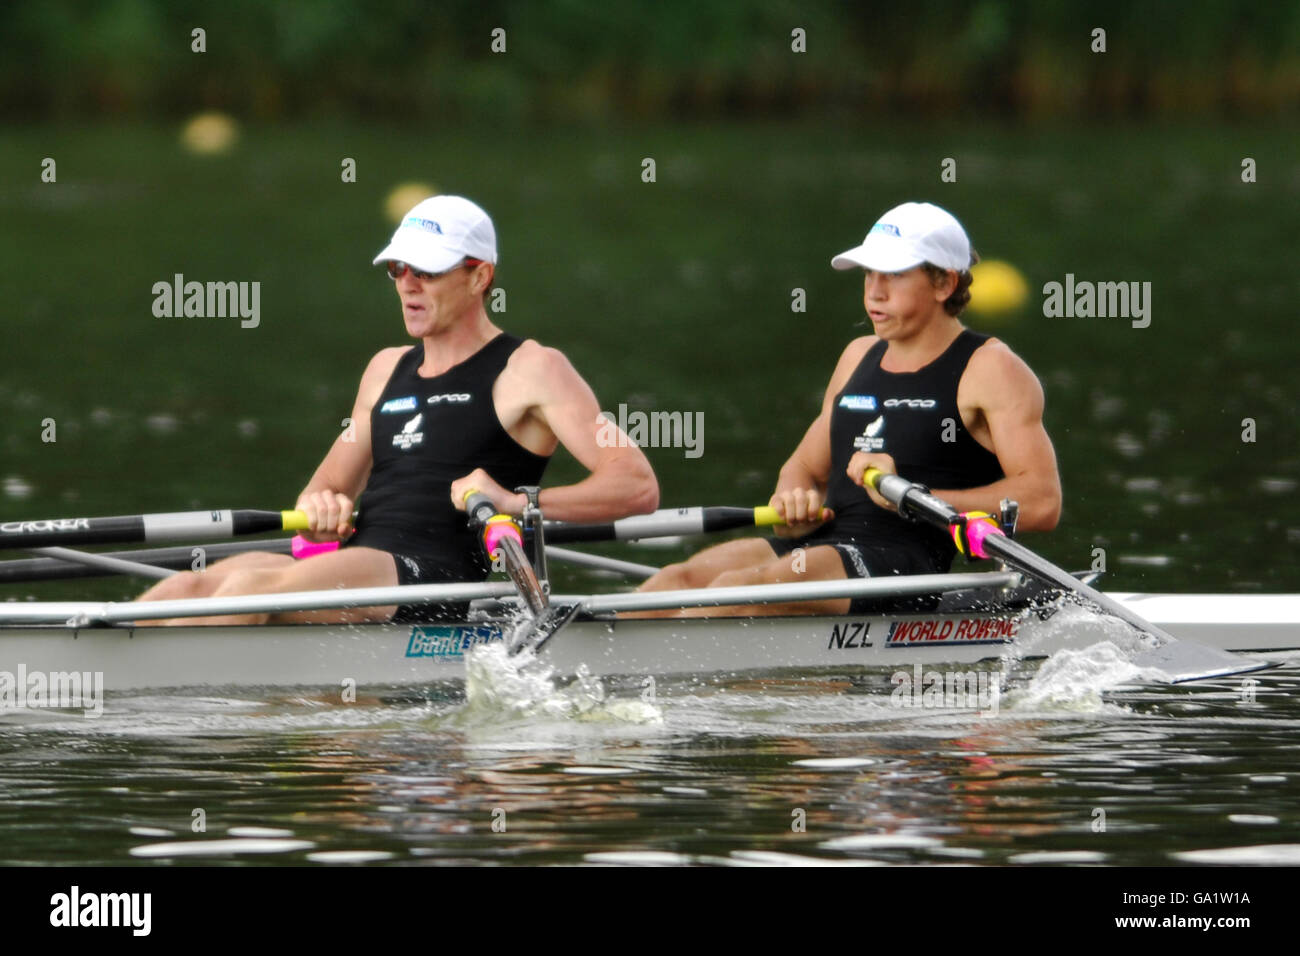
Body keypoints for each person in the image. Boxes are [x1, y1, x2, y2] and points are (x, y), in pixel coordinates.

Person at [138, 195, 658, 625]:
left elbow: (636, 485)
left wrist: (516, 502)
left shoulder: (533, 368)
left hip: (437, 578)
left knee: (248, 590)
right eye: (397, 267)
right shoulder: (385, 369)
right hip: (363, 565)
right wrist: (321, 513)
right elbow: (323, 490)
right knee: (190, 584)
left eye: (426, 271)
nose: (407, 283)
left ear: (479, 277)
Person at [638, 201, 1061, 616]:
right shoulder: (858, 355)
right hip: (818, 546)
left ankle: (690, 683)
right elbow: (803, 467)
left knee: (735, 591)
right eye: (869, 274)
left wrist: (910, 498)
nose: (875, 291)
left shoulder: (991, 368)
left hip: (902, 565)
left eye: (894, 275)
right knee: (677, 581)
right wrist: (793, 501)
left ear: (944, 284)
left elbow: (1042, 502)